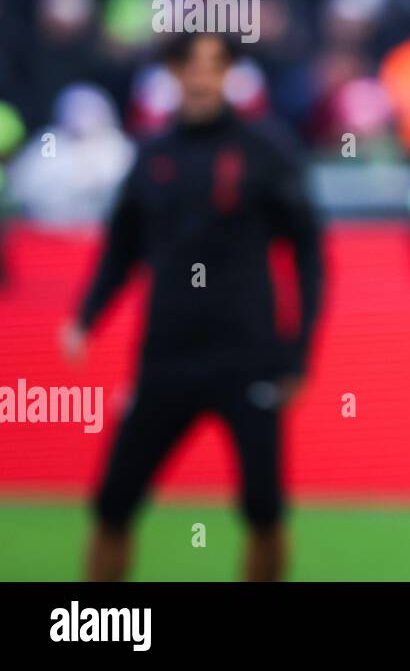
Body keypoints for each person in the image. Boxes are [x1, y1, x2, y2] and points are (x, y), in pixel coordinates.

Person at [61, 30, 324, 581]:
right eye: (190, 64)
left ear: (229, 74)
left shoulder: (264, 150)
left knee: (262, 509)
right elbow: (121, 248)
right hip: (166, 356)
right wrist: (86, 318)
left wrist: (298, 353)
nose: (202, 75)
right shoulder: (153, 155)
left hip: (247, 356)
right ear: (173, 74)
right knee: (113, 503)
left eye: (215, 64)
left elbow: (308, 252)